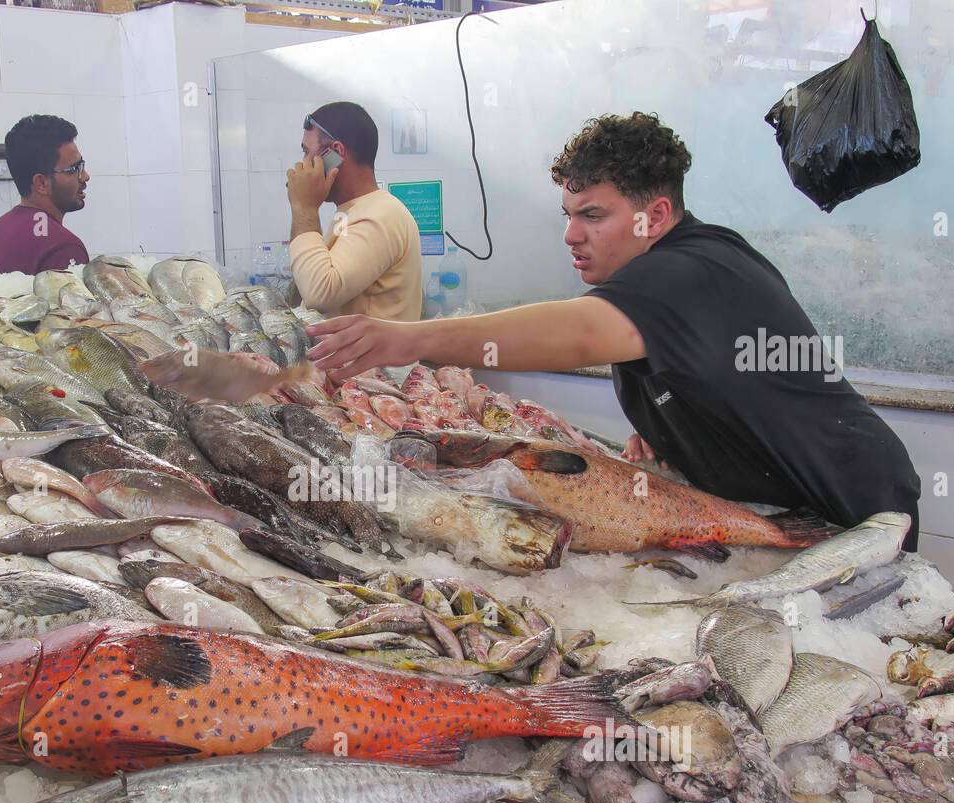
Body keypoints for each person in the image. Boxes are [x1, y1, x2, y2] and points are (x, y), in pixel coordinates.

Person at [305, 112, 922, 549]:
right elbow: (699, 366)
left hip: (851, 509)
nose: (572, 235)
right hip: (776, 512)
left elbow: (577, 334)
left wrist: (409, 338)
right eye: (569, 215)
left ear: (654, 216)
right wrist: (673, 431)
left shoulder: (692, 269)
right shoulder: (666, 269)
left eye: (594, 216)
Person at [286, 102, 423, 322]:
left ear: (336, 152)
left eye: (306, 152)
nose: (302, 164)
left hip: (378, 358)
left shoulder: (382, 214)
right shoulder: (355, 210)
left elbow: (320, 292)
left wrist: (304, 207)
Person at [0, 115, 90, 275]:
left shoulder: (0, 228)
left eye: (82, 165)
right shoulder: (62, 247)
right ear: (41, 184)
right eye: (74, 169)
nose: (85, 176)